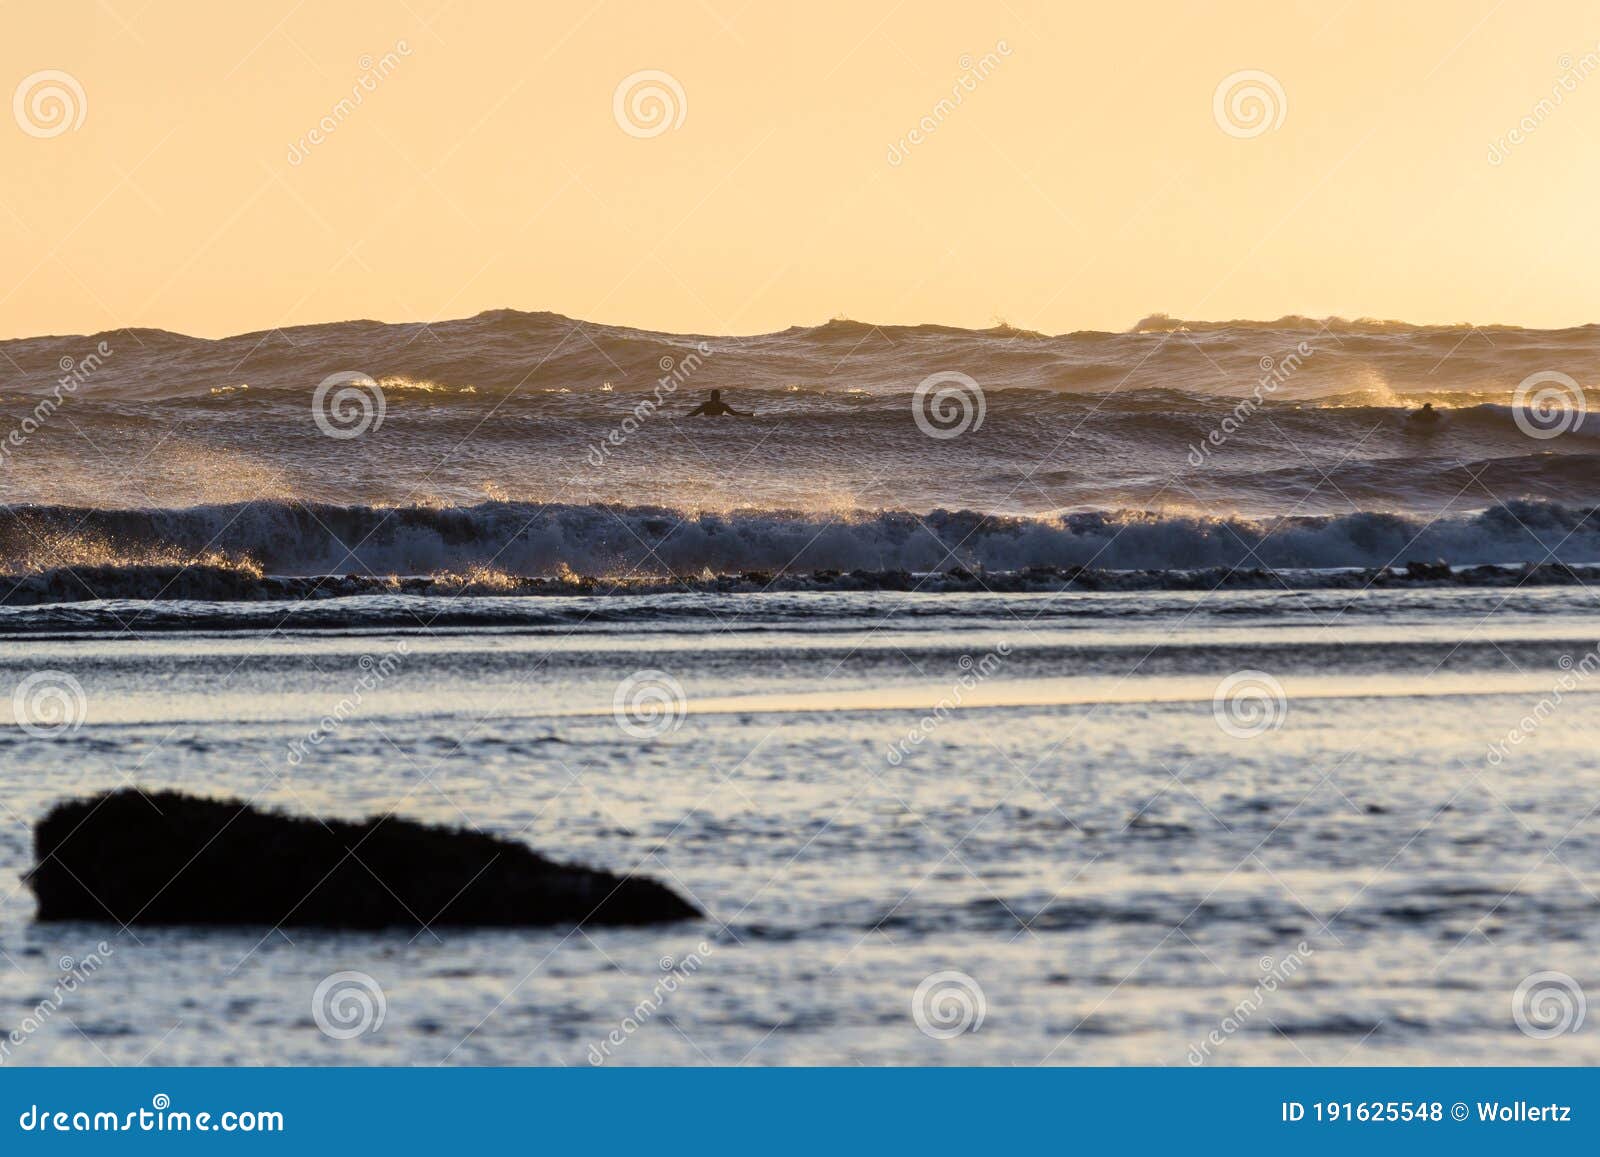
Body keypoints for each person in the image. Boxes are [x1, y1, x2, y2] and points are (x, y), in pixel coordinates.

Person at [685, 389, 753, 417]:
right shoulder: (722, 405)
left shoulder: (706, 405)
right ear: (719, 397)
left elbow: (694, 414)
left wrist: (682, 418)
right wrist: (747, 415)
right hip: (719, 423)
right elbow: (734, 413)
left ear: (710, 397)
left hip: (706, 423)